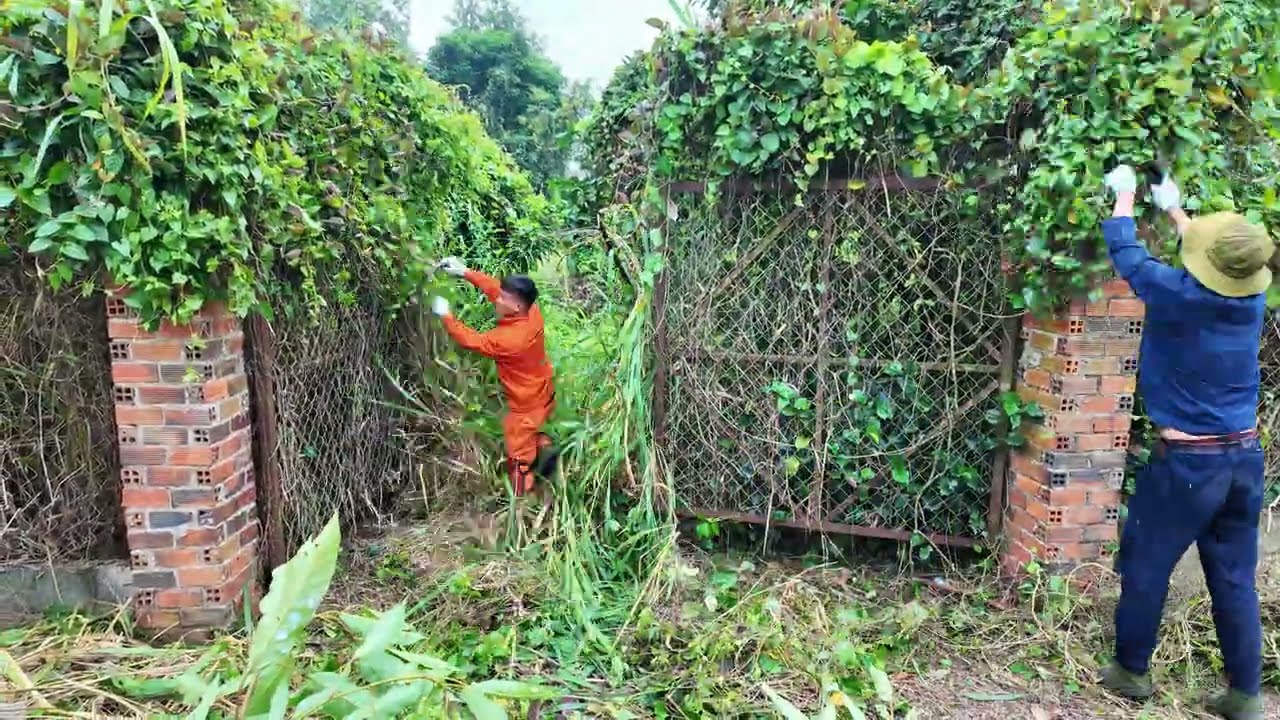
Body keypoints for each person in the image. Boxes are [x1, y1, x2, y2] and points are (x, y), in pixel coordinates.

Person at [1100, 164, 1273, 720]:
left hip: (1189, 465)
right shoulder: (1250, 303)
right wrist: (1173, 209)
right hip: (1243, 459)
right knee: (1234, 579)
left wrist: (1125, 195)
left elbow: (1128, 256)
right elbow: (1215, 260)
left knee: (1146, 564)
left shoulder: (1180, 295)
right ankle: (1245, 695)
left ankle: (1131, 672)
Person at [431, 257, 556, 497]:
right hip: (544, 391)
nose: (496, 299)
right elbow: (497, 289)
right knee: (535, 432)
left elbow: (471, 340)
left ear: (516, 306)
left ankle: (522, 501)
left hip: (525, 405)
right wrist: (466, 272)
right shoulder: (532, 312)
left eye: (502, 299)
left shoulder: (509, 340)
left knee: (518, 453)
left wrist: (445, 315)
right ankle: (546, 459)